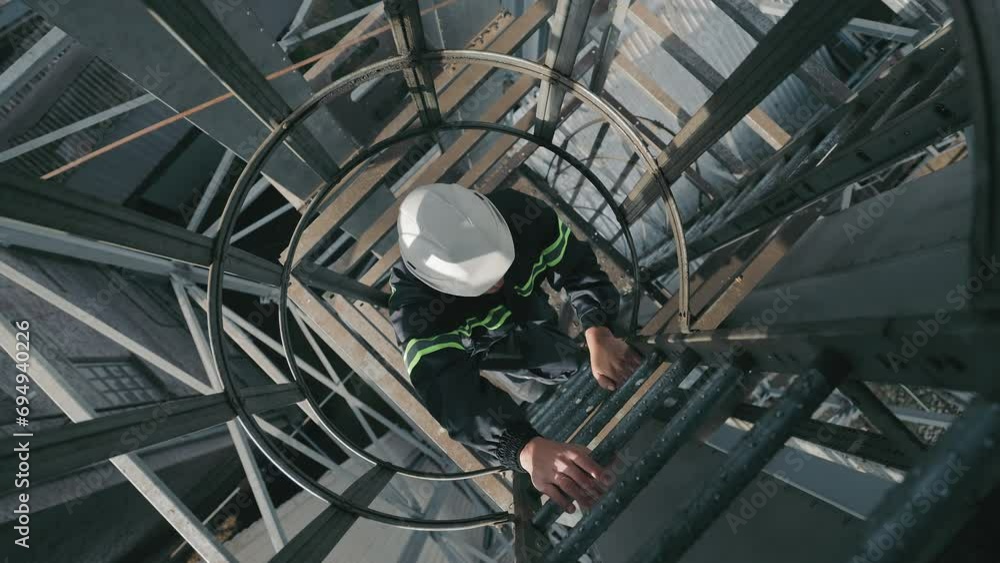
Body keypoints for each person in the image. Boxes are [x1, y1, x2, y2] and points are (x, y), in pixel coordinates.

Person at [388, 183, 642, 513]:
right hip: (490, 342)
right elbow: (451, 394)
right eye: (483, 283)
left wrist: (598, 328)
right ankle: (551, 381)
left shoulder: (520, 215)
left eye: (501, 268)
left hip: (528, 308)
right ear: (438, 284)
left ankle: (568, 367)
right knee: (535, 373)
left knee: (560, 354)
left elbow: (576, 266)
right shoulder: (417, 313)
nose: (498, 282)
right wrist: (522, 447)